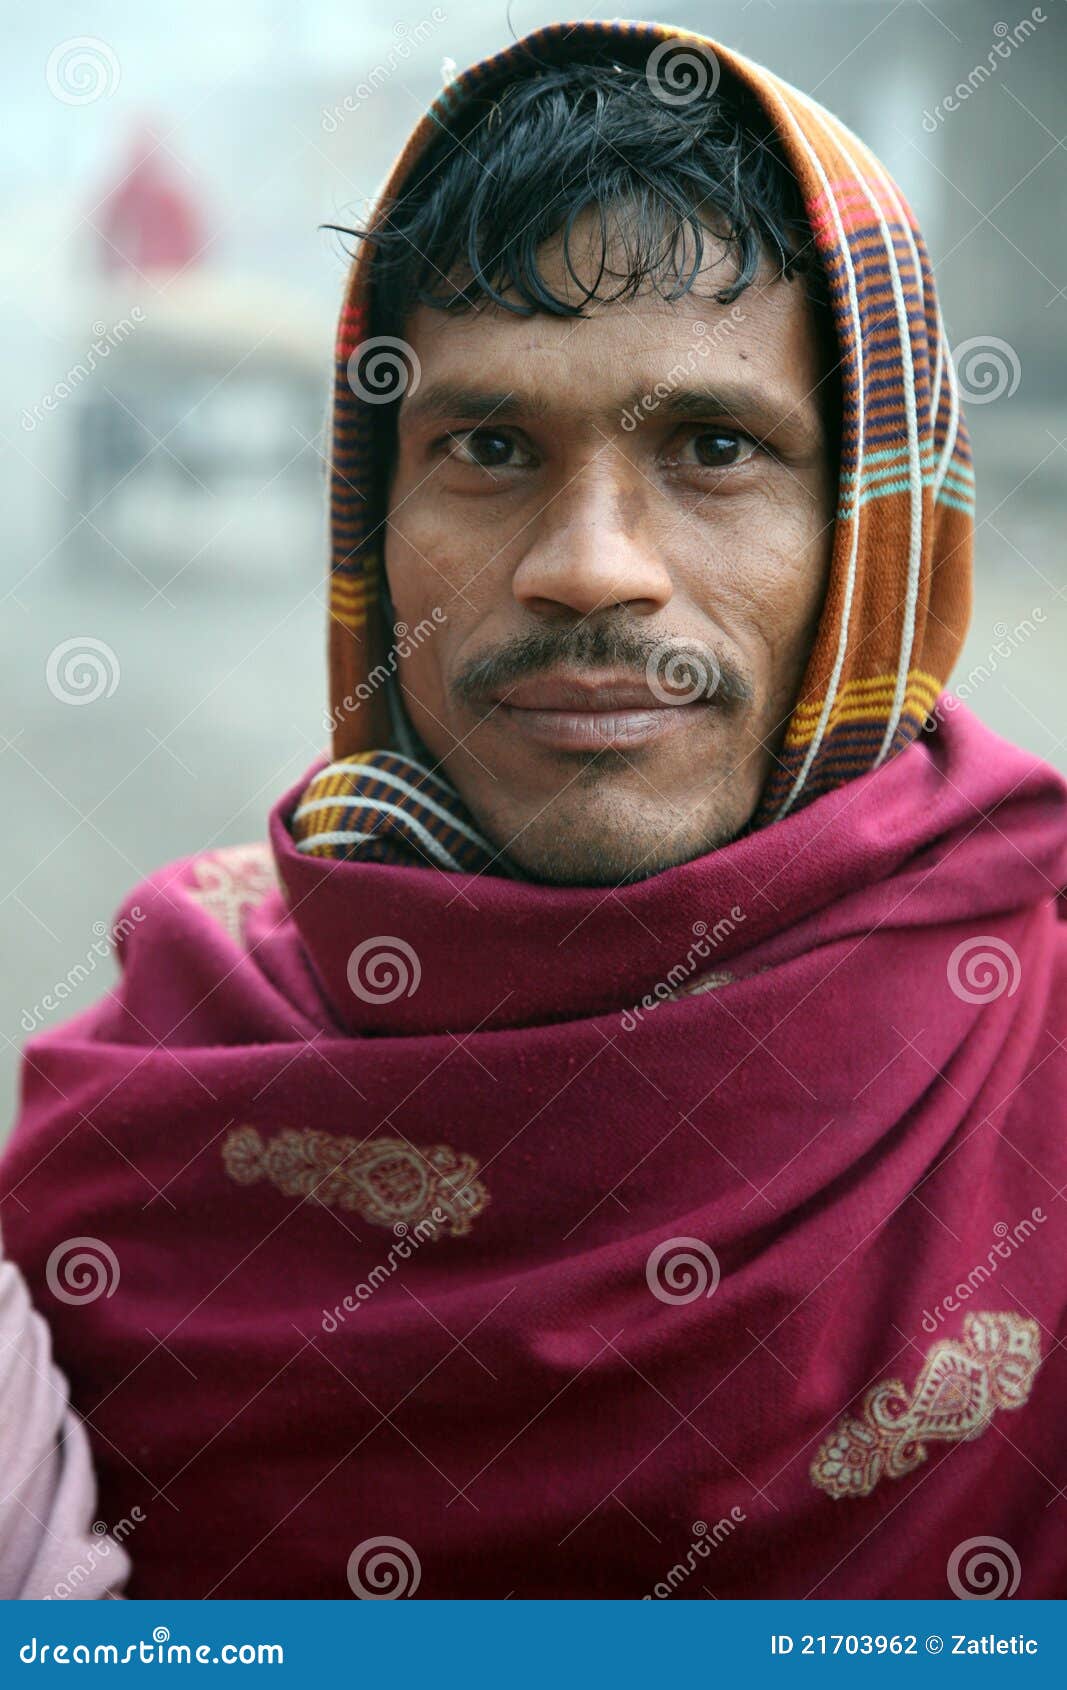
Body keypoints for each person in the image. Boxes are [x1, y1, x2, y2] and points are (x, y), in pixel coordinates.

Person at [2, 21, 1065, 1600]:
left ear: (876, 531)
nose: (589, 563)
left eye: (715, 448)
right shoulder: (153, 1092)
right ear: (376, 511)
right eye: (489, 448)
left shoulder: (1028, 1037)